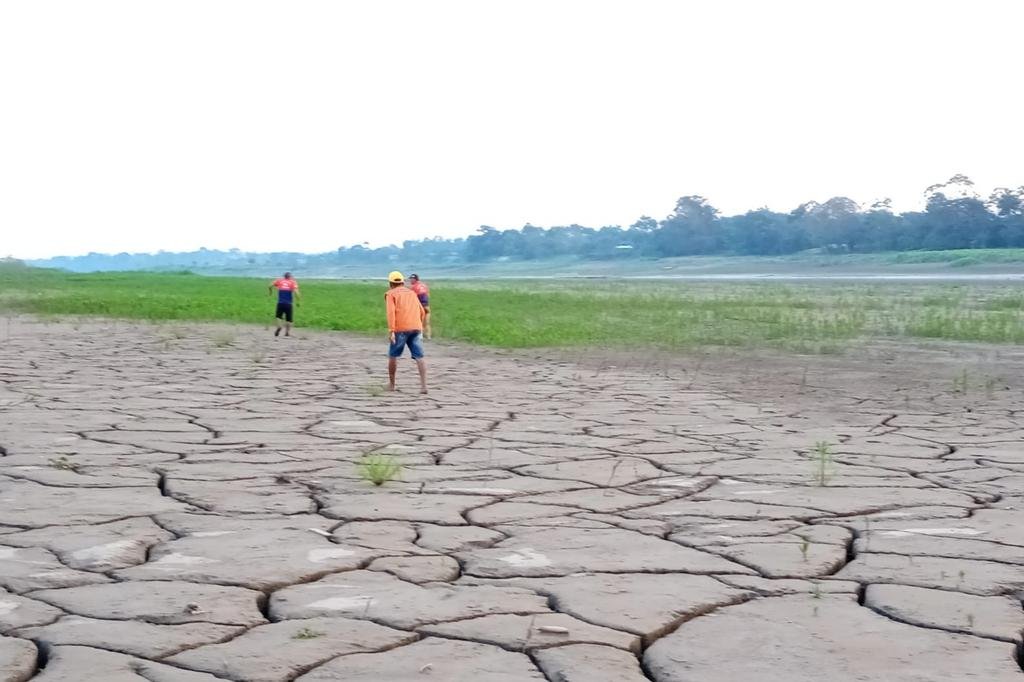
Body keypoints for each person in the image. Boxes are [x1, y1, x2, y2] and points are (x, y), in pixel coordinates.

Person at [385, 271, 427, 393]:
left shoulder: (390, 294)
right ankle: (423, 386)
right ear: (402, 282)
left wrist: (391, 331)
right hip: (416, 327)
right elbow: (422, 311)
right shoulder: (412, 293)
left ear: (390, 283)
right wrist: (419, 325)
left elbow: (391, 313)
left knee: (393, 355)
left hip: (400, 329)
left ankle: (392, 385)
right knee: (419, 356)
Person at [269, 272, 301, 337]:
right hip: (288, 304)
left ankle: (279, 326)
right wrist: (298, 301)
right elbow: (296, 292)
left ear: (284, 276)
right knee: (289, 319)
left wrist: (270, 292)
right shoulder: (293, 282)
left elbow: (270, 286)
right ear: (290, 277)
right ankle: (287, 333)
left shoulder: (279, 281)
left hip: (280, 303)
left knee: (278, 317)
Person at [408, 273, 432, 340]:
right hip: (426, 306)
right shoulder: (424, 285)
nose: (410, 281)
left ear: (415, 279)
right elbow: (428, 295)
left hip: (420, 306)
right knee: (427, 322)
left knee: (418, 321)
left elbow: (413, 298)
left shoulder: (413, 287)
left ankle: (420, 336)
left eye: (411, 279)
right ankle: (429, 336)